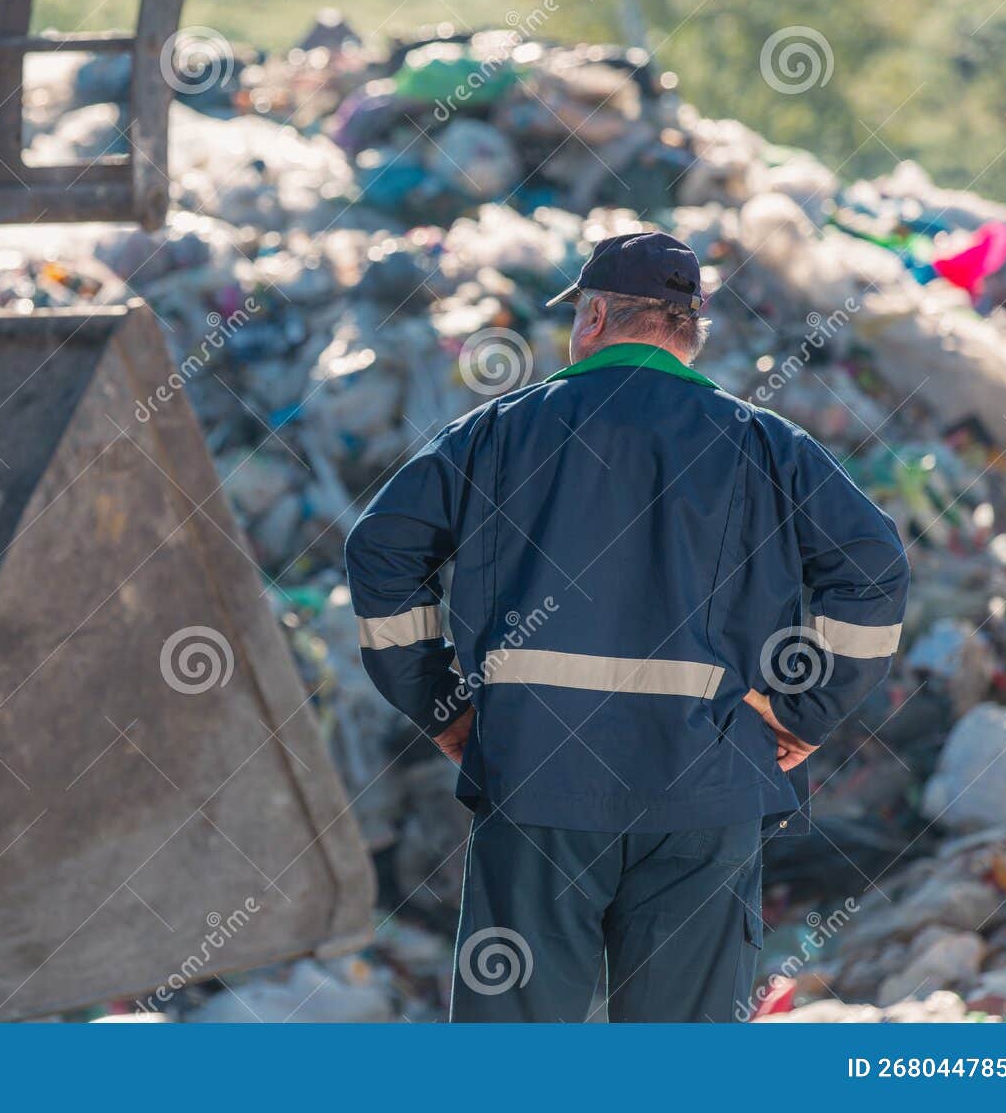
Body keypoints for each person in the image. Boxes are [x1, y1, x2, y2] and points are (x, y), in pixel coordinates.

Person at [344, 232, 909, 1022]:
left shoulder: (499, 433)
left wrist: (444, 704)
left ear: (597, 315)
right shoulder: (763, 443)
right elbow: (873, 567)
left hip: (537, 786)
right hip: (705, 793)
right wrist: (798, 709)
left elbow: (381, 549)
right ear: (691, 331)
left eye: (578, 312)